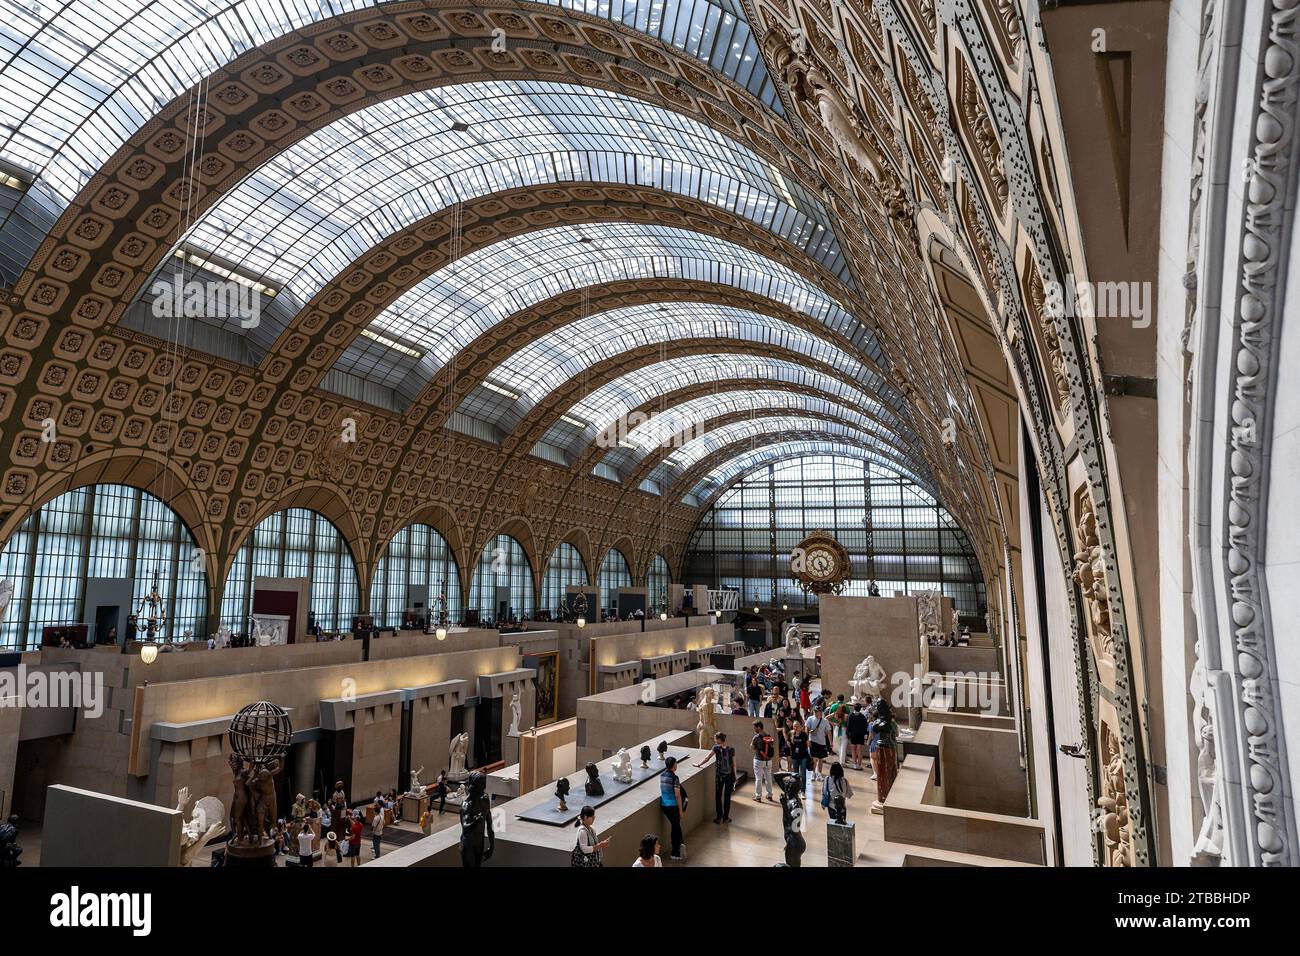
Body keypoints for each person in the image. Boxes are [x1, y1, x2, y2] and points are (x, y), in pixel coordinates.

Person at [694, 731, 736, 823]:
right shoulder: (731, 749)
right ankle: (726, 818)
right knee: (727, 797)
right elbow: (734, 765)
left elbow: (707, 758)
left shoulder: (716, 748)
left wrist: (699, 764)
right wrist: (735, 776)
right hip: (729, 776)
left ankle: (719, 817)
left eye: (715, 739)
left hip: (719, 776)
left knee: (718, 796)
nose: (714, 740)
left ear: (719, 739)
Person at [869, 699, 901, 813]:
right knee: (885, 772)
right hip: (883, 746)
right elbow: (874, 728)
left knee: (889, 772)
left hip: (888, 746)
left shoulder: (888, 723)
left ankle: (888, 797)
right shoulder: (882, 722)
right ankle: (883, 797)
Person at [659, 756, 687, 861]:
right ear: (674, 765)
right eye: (676, 763)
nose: (677, 765)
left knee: (676, 827)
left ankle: (680, 845)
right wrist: (680, 810)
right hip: (672, 806)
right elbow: (678, 796)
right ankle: (675, 852)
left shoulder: (662, 775)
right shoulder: (675, 778)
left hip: (664, 805)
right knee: (675, 828)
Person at [750, 720, 775, 802]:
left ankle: (758, 796)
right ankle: (769, 795)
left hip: (758, 760)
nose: (754, 729)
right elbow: (772, 745)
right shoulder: (768, 735)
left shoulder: (756, 737)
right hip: (768, 760)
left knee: (758, 778)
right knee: (768, 778)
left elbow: (752, 747)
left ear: (759, 727)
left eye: (755, 727)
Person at [806, 705, 832, 782]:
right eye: (816, 712)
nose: (817, 713)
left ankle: (819, 774)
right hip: (812, 741)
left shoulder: (825, 721)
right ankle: (813, 774)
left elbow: (828, 732)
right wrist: (807, 740)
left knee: (821, 759)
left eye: (819, 712)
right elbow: (806, 729)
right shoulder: (810, 719)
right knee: (814, 759)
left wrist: (831, 742)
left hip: (822, 742)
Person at [846, 701, 870, 771]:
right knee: (859, 750)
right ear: (860, 709)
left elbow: (848, 726)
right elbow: (865, 727)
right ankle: (859, 765)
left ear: (854, 708)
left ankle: (854, 764)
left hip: (852, 735)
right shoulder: (863, 717)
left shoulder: (850, 716)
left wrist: (848, 734)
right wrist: (864, 733)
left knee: (853, 750)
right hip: (860, 735)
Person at [789, 719, 811, 793]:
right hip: (794, 757)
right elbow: (789, 744)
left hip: (803, 756)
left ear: (801, 727)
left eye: (797, 726)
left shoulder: (804, 734)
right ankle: (796, 789)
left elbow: (808, 745)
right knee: (795, 774)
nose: (796, 727)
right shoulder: (791, 734)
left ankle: (803, 790)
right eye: (794, 726)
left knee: (803, 774)